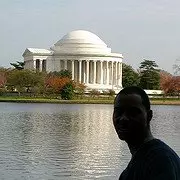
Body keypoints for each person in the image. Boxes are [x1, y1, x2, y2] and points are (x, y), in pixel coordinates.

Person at [113, 86, 180, 180]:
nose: (123, 118)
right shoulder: (143, 159)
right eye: (118, 111)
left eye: (133, 112)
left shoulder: (160, 161)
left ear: (149, 116)